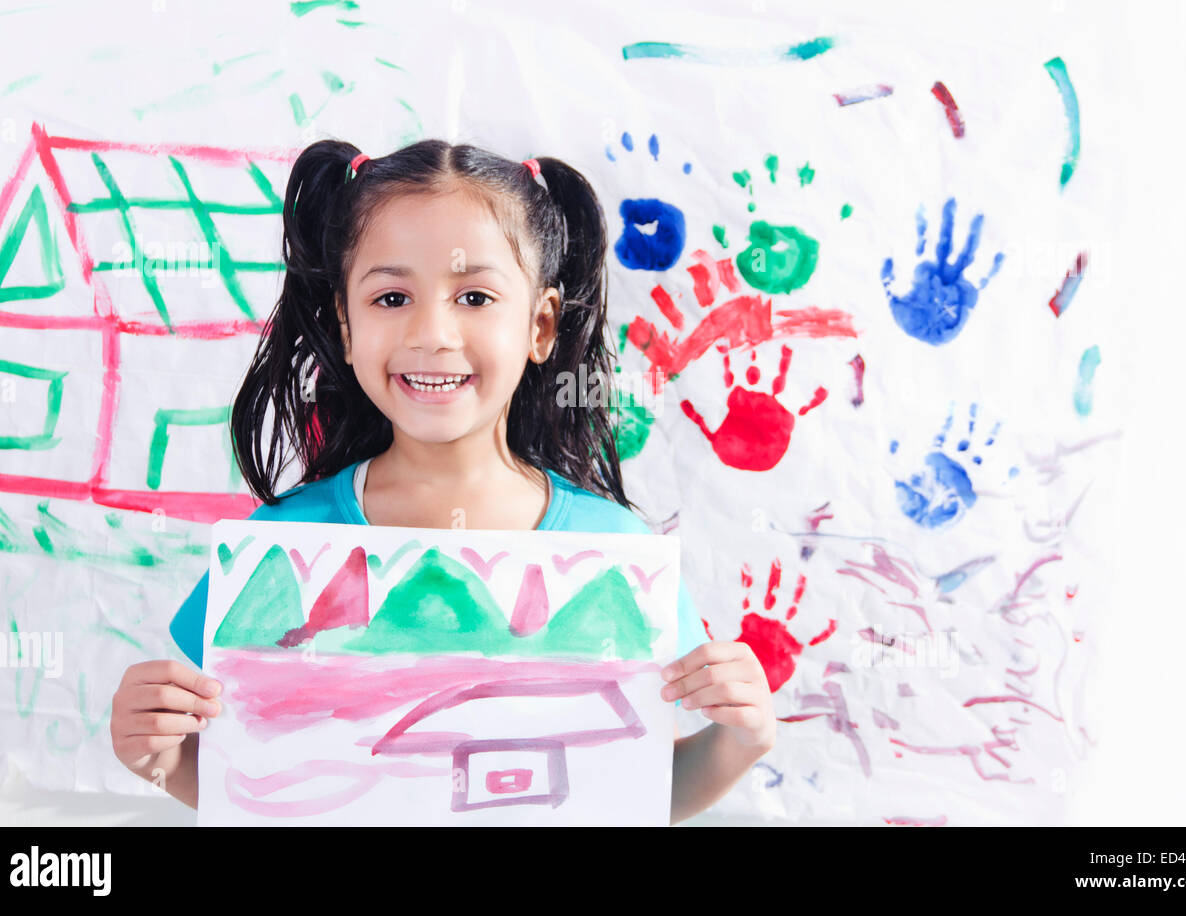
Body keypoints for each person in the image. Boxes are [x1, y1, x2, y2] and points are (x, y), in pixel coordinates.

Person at [110, 139, 775, 824]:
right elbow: (245, 778)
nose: (432, 333)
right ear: (345, 323)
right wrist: (156, 755)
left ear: (540, 325)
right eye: (392, 296)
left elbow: (634, 792)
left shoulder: (618, 550)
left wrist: (737, 740)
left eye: (476, 296)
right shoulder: (277, 545)